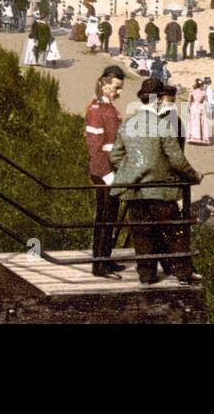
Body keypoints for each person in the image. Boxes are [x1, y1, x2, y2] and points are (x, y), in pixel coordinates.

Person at [109, 77, 202, 286]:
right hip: (160, 192)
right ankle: (184, 274)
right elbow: (177, 160)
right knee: (174, 232)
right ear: (159, 99)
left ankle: (147, 275)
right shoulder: (162, 126)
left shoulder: (128, 125)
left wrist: (132, 170)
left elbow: (115, 157)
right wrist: (194, 175)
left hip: (134, 192)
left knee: (142, 235)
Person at [85, 68, 126, 277]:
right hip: (104, 172)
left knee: (110, 216)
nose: (118, 92)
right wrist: (107, 174)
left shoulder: (108, 107)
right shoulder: (96, 110)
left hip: (112, 170)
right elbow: (95, 149)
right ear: (104, 84)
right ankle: (99, 264)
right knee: (103, 217)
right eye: (116, 88)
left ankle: (106, 259)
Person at [187, 78, 212, 145]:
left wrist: (188, 108)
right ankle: (202, 137)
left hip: (194, 107)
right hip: (201, 107)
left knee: (194, 122)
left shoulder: (192, 91)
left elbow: (190, 101)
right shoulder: (204, 92)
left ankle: (194, 137)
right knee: (201, 122)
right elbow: (206, 101)